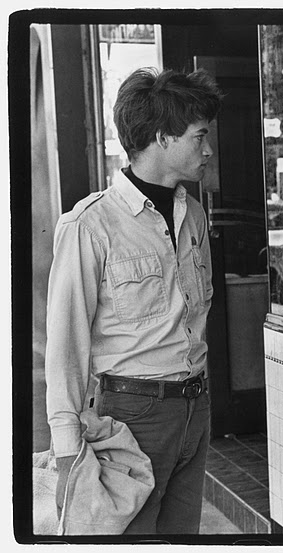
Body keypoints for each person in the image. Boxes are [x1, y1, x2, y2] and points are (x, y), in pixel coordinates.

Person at [45, 67, 223, 534]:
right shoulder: (90, 225)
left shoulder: (194, 214)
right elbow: (65, 347)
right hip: (133, 417)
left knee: (183, 538)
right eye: (199, 136)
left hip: (195, 408)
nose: (208, 150)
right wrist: (67, 453)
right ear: (163, 138)